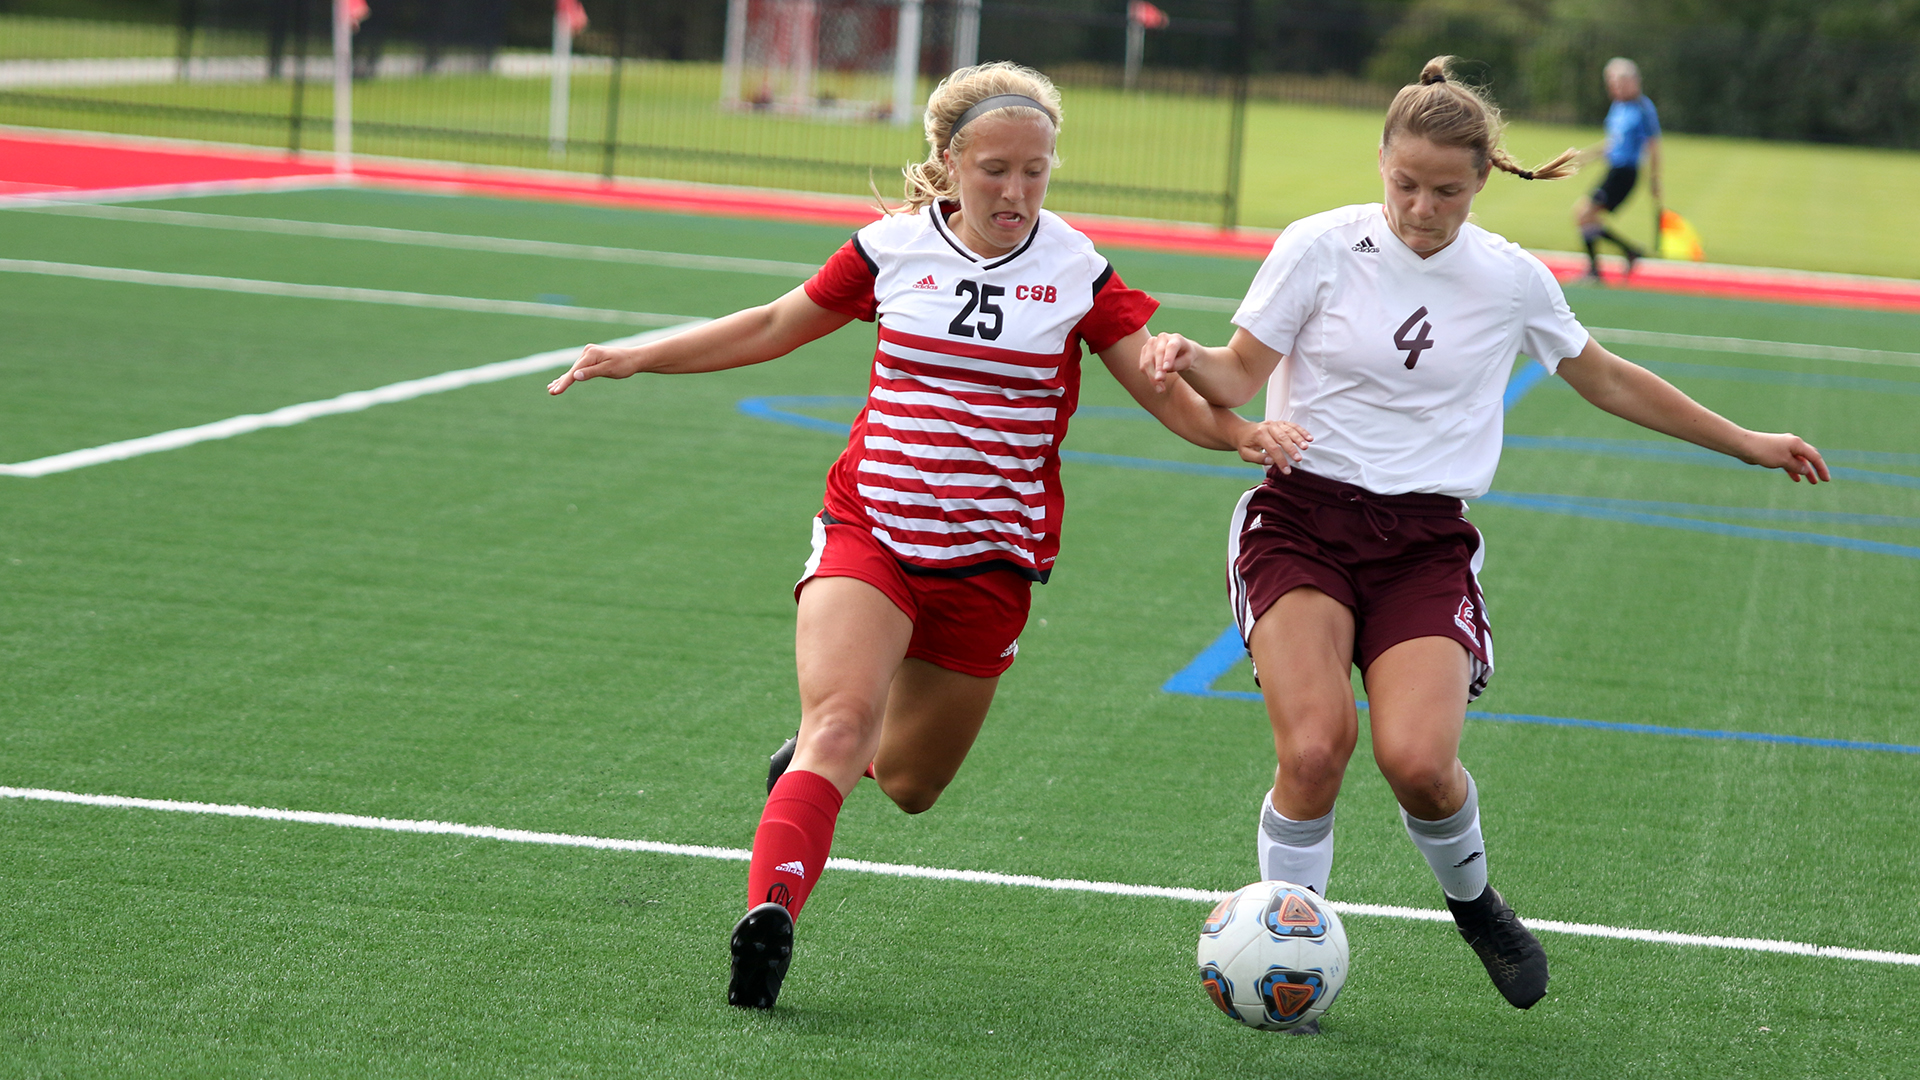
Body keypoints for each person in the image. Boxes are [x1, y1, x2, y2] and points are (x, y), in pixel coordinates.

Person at [548, 61, 1296, 1011]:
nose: (1016, 192)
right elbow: (778, 324)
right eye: (994, 170)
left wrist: (1241, 434)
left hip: (990, 563)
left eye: (1036, 170)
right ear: (948, 164)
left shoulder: (1077, 270)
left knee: (907, 783)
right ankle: (771, 918)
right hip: (872, 532)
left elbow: (1167, 396)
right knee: (839, 722)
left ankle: (825, 767)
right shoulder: (888, 250)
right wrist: (633, 356)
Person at [1140, 56, 1826, 1023]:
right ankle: (1294, 947)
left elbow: (1608, 378)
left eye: (1448, 190)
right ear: (1381, 164)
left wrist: (1745, 441)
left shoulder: (1510, 276)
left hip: (1424, 542)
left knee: (1419, 762)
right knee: (1315, 749)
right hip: (1301, 522)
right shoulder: (1318, 247)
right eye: (1405, 184)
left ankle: (1476, 905)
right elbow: (1238, 372)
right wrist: (1185, 359)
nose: (1423, 207)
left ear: (1484, 178)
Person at [1572, 57, 1662, 283]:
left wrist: (1655, 179)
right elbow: (1615, 142)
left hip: (1625, 172)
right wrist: (1589, 156)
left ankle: (1599, 269)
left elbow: (1654, 146)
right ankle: (1628, 252)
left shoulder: (1643, 108)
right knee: (1586, 217)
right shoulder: (1618, 106)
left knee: (1583, 214)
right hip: (1613, 168)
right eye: (1612, 83)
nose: (1615, 87)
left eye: (1620, 82)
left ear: (1634, 81)